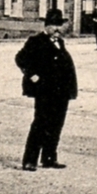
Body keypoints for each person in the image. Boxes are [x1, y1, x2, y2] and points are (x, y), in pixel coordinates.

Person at [15, 9, 78, 171]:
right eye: (53, 25)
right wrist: (32, 75)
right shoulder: (35, 41)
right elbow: (20, 58)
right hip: (45, 91)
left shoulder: (60, 42)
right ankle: (30, 160)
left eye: (59, 25)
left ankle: (49, 158)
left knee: (56, 125)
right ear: (46, 25)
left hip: (61, 92)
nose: (57, 29)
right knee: (40, 124)